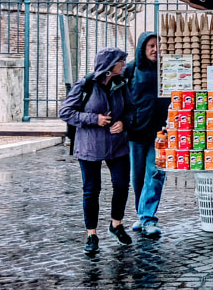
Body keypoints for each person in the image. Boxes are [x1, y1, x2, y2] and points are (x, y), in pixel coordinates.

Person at [59, 47, 134, 255]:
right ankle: (91, 234)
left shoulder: (121, 83)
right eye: (121, 61)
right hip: (89, 146)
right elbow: (65, 112)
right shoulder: (86, 84)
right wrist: (94, 119)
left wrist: (123, 122)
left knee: (121, 185)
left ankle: (116, 225)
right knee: (91, 190)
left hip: (117, 145)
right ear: (110, 66)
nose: (124, 65)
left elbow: (130, 109)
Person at [124, 32, 170, 239]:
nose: (155, 49)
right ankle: (142, 213)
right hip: (136, 133)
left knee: (156, 174)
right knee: (138, 177)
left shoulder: (169, 69)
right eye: (151, 45)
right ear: (142, 48)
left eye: (158, 45)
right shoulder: (131, 70)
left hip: (161, 133)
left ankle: (149, 217)